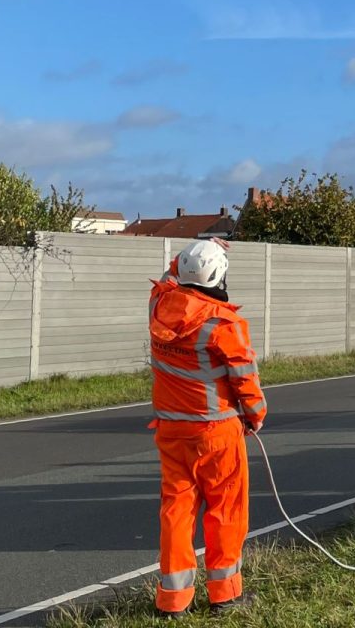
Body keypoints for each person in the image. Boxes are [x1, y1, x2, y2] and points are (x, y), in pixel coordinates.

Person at [148, 238, 267, 619]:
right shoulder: (223, 323)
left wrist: (193, 252)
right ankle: (225, 595)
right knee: (226, 512)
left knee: (176, 511)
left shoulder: (158, 305)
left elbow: (170, 276)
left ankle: (173, 601)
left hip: (171, 430)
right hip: (216, 433)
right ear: (219, 276)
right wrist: (256, 415)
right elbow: (244, 378)